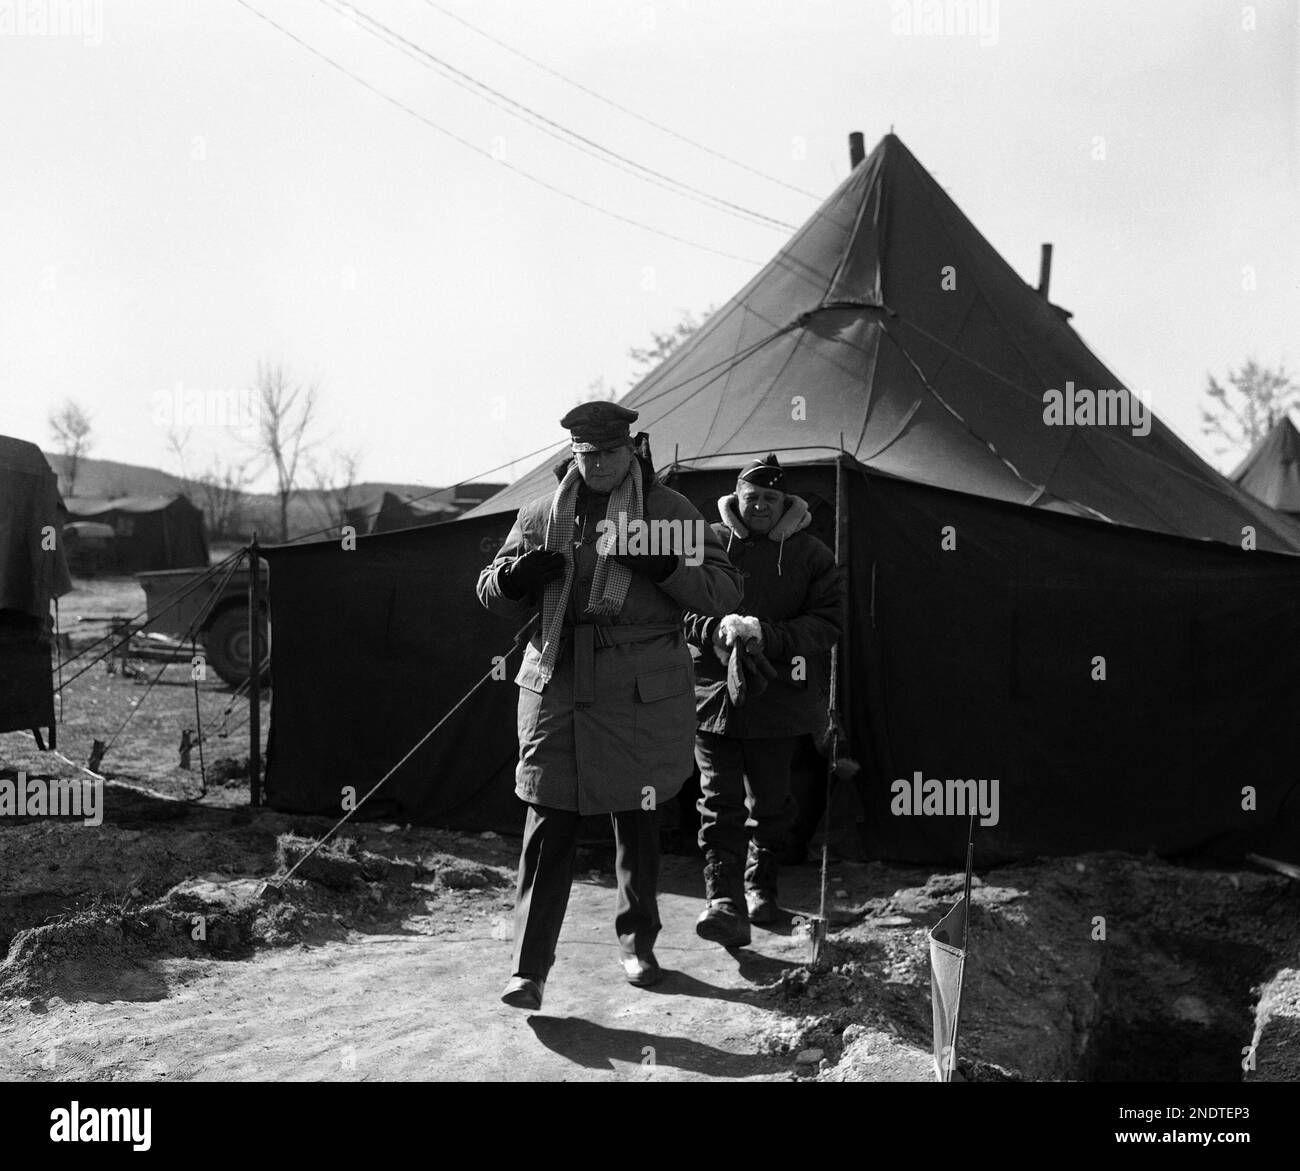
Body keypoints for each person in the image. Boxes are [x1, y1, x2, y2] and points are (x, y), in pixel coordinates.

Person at [477, 401, 742, 1009]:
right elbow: (490, 585)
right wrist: (514, 579)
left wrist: (667, 565)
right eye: (586, 454)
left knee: (638, 820)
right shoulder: (542, 514)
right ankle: (528, 969)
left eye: (609, 453)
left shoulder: (670, 513)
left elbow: (726, 590)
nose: (597, 464)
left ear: (632, 449)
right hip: (558, 683)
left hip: (637, 689)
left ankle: (638, 945)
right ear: (573, 454)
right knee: (547, 823)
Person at [683, 454, 844, 947]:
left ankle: (760, 888)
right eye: (751, 497)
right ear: (737, 497)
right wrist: (712, 628)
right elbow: (673, 608)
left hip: (778, 700)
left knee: (772, 805)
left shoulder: (811, 554)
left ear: (785, 503)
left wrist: (766, 634)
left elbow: (828, 623)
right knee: (718, 803)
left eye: (769, 499)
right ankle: (723, 902)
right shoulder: (707, 541)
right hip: (712, 698)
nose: (759, 506)